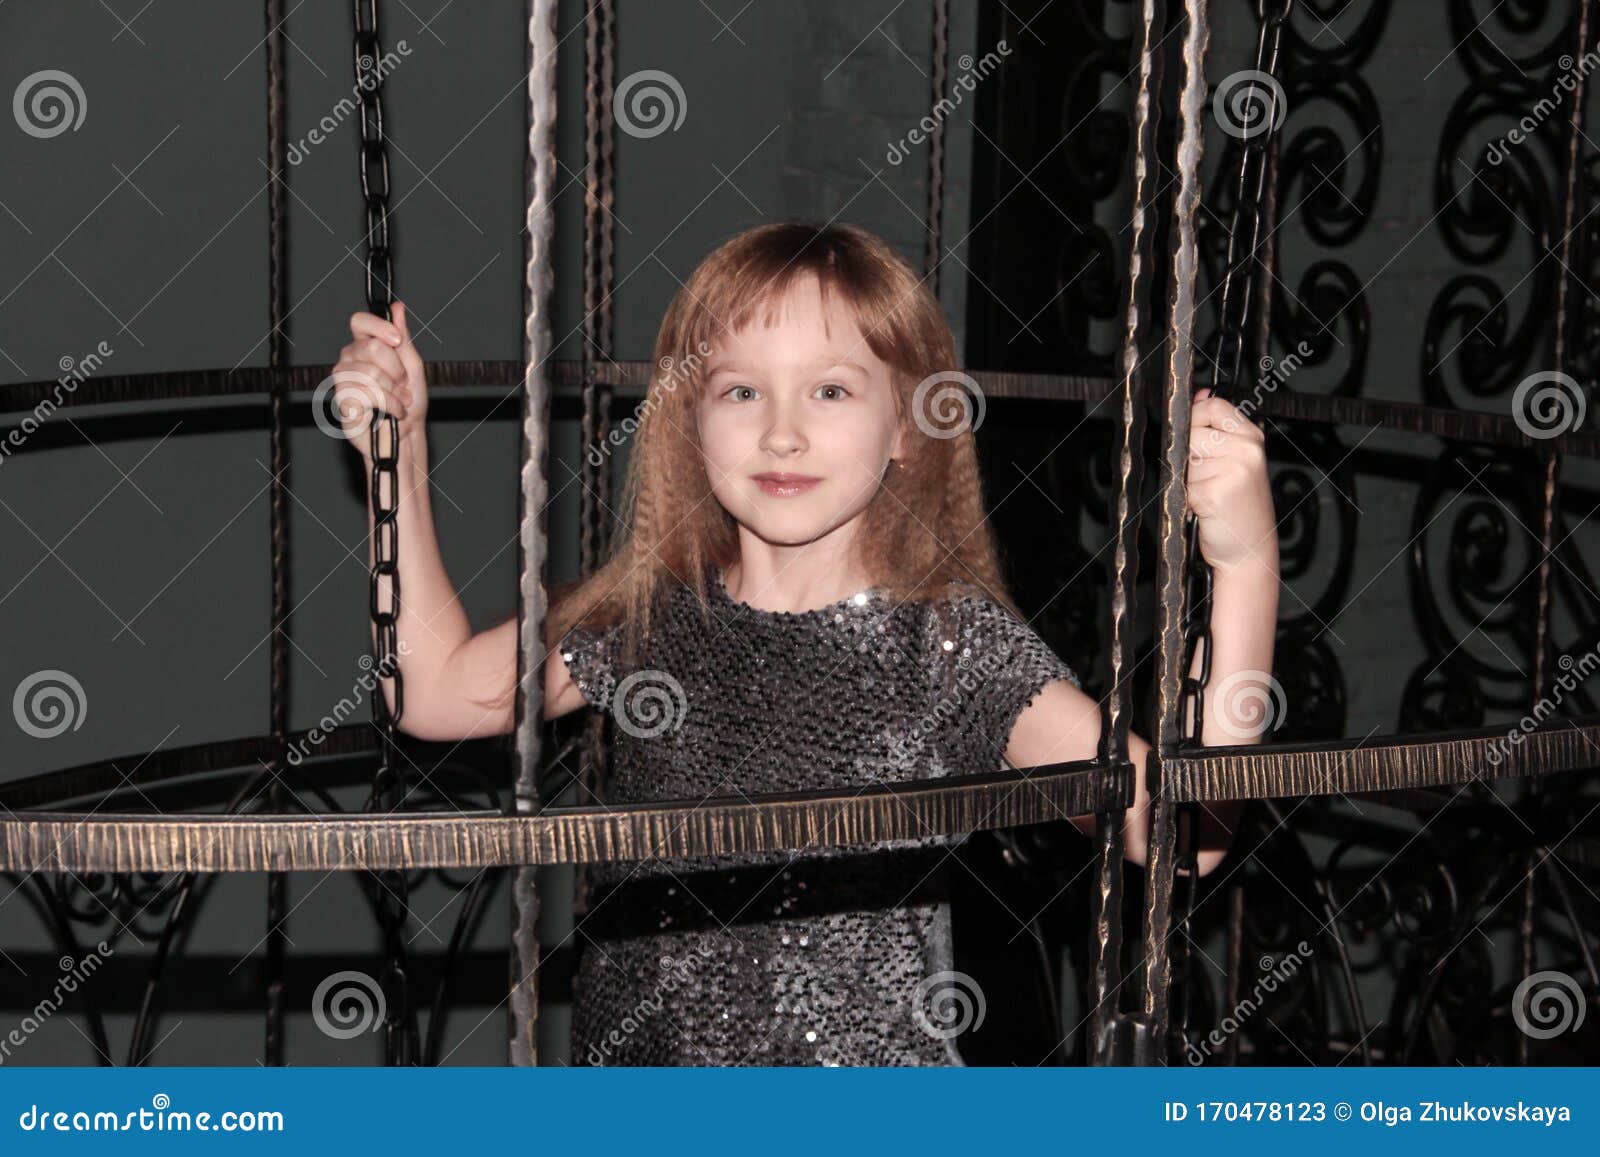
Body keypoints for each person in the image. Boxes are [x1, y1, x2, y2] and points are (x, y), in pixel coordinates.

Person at [329, 221, 1279, 1065]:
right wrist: (400, 457)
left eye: (830, 389)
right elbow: (437, 690)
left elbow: (1178, 831)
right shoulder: (650, 621)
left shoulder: (952, 646)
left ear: (907, 425)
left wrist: (1243, 569)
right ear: (691, 424)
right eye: (742, 390)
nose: (781, 433)